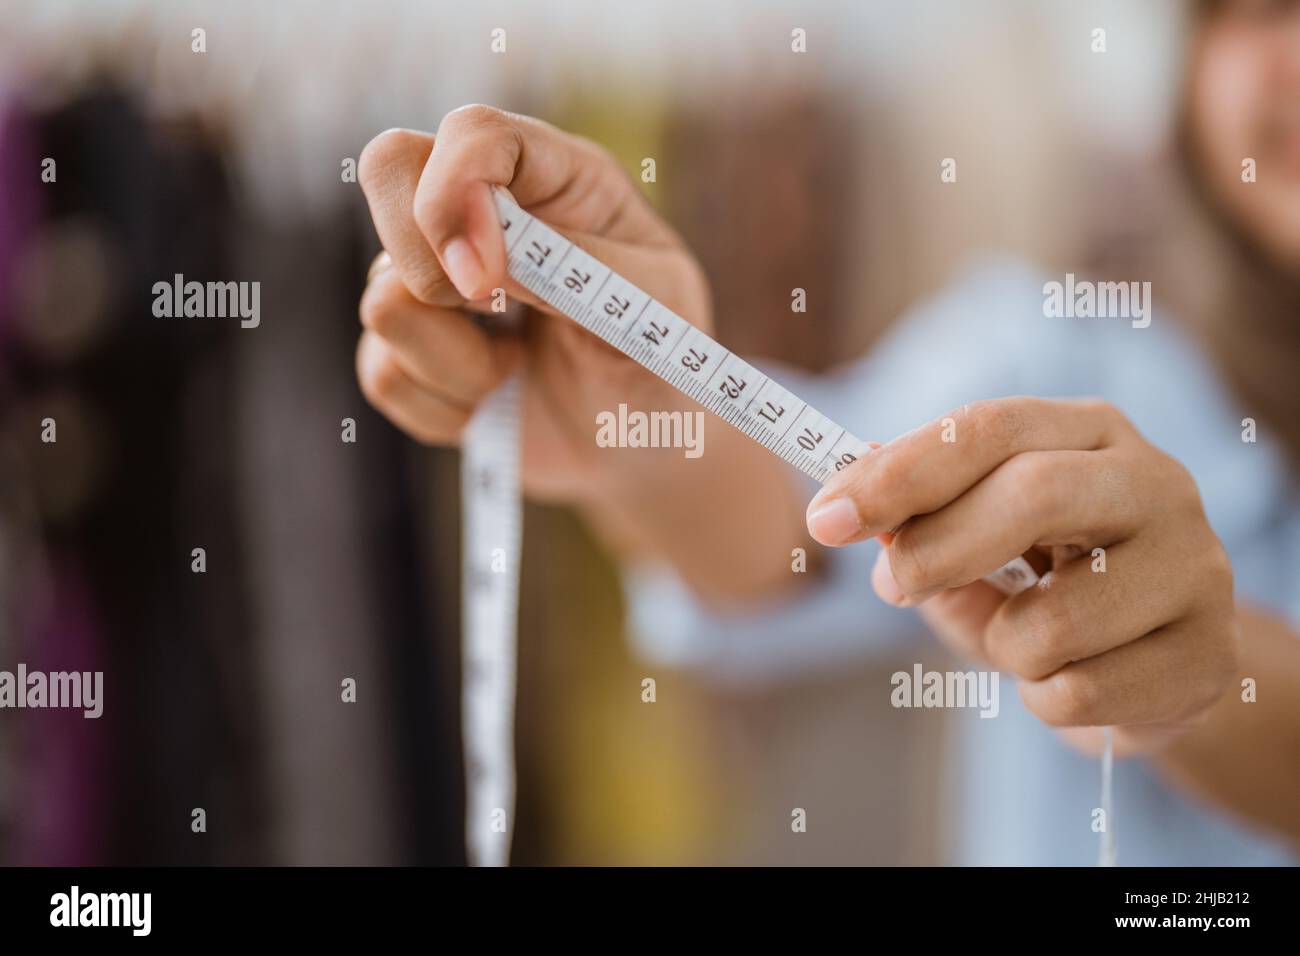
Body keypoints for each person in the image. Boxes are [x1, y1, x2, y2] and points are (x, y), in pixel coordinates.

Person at [351, 0, 1300, 863]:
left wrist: (1201, 674)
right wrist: (647, 417)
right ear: (1193, 57)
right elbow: (790, 535)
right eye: (1266, 8)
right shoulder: (1055, 353)